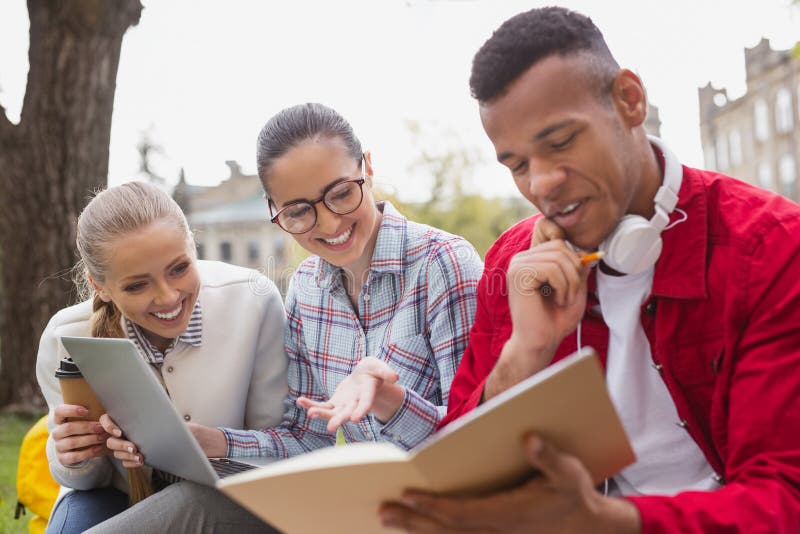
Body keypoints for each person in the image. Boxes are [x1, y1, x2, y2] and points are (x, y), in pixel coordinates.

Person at [379, 6, 800, 533]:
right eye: (518, 165)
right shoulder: (513, 263)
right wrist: (522, 355)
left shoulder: (772, 247)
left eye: (560, 143)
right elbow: (460, 475)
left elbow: (784, 498)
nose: (542, 184)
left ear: (630, 100)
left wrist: (601, 520)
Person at [87, 103, 483, 533]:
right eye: (297, 211)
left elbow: (473, 445)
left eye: (341, 193)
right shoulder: (308, 285)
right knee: (191, 503)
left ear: (367, 167)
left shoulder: (442, 263)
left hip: (433, 516)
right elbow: (307, 440)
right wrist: (212, 442)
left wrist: (389, 400)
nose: (329, 222)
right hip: (341, 511)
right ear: (273, 209)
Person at [36, 181, 288, 534]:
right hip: (113, 495)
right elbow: (87, 483)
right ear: (100, 287)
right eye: (137, 285)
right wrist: (74, 455)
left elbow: (276, 451)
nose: (168, 297)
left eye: (179, 268)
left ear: (192, 247)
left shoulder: (252, 302)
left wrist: (212, 445)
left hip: (228, 495)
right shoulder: (66, 336)